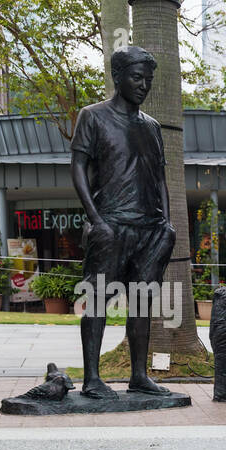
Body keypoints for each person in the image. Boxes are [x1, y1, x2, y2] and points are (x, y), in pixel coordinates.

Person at [69, 46, 176, 400]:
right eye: (136, 77)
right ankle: (92, 378)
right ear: (117, 77)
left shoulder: (152, 127)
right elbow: (78, 168)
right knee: (97, 300)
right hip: (111, 225)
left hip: (150, 229)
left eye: (148, 79)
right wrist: (95, 220)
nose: (144, 85)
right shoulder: (93, 116)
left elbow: (160, 179)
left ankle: (139, 375)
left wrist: (167, 223)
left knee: (143, 302)